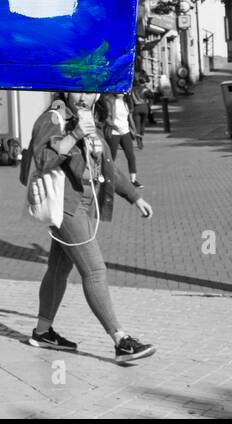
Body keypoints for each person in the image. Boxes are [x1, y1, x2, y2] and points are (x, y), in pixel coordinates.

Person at [24, 93, 156, 364]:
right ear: (65, 91)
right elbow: (42, 158)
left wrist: (135, 196)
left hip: (84, 203)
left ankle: (42, 331)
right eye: (77, 90)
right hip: (67, 206)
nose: (83, 96)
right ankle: (121, 341)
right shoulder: (54, 118)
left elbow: (108, 168)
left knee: (59, 269)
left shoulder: (90, 119)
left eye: (89, 90)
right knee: (94, 270)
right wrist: (73, 135)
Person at [98, 91, 141, 187]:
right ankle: (107, 178)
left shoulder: (127, 102)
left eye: (122, 91)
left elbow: (130, 118)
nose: (120, 92)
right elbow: (107, 118)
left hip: (125, 132)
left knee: (131, 156)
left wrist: (134, 131)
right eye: (118, 90)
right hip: (114, 132)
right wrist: (114, 126)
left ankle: (133, 180)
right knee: (111, 157)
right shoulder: (110, 101)